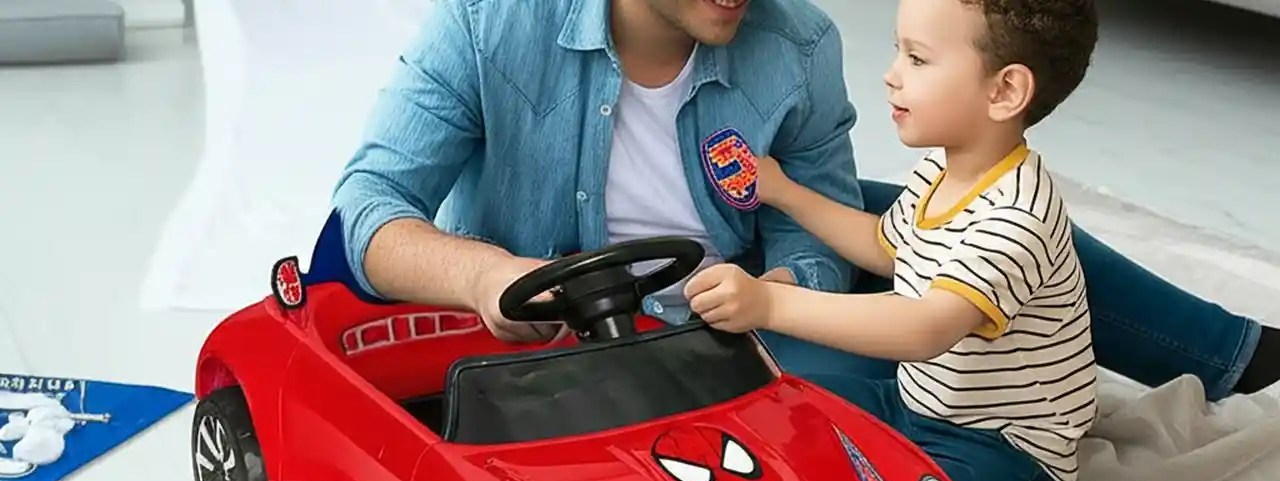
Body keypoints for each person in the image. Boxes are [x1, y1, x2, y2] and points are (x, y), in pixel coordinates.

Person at [330, 0, 1278, 404]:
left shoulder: (795, 39)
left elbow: (808, 223)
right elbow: (370, 204)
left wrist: (783, 296)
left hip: (745, 290)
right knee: (848, 429)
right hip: (580, 329)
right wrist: (492, 275)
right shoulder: (493, 21)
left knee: (976, 227)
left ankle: (1236, 355)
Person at [684, 0, 1099, 481]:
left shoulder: (1018, 215)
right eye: (897, 50)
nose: (891, 73)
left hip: (1003, 452)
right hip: (913, 405)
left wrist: (769, 302)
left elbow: (922, 328)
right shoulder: (941, 170)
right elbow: (884, 245)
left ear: (1004, 92)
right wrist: (784, 191)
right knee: (775, 421)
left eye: (918, 58)